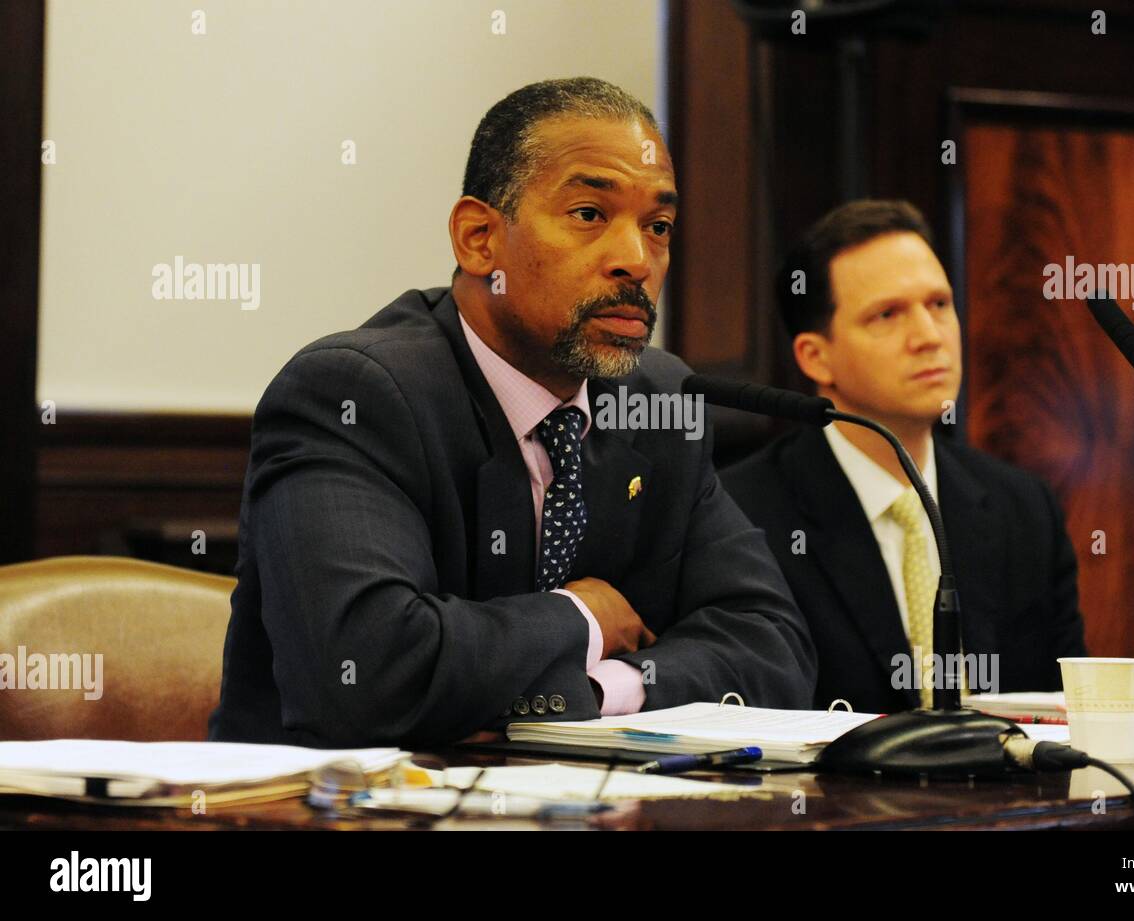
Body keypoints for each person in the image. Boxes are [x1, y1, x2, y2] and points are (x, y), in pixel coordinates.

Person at [209, 78, 815, 748]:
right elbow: (366, 675)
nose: (635, 261)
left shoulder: (659, 400)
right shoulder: (354, 395)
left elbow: (775, 644)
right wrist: (582, 616)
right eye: (589, 214)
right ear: (478, 238)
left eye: (659, 227)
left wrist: (596, 690)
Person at [722, 199, 1085, 714]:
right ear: (815, 357)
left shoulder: (1023, 509)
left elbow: (1064, 709)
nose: (929, 337)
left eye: (939, 305)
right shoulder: (742, 516)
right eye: (888, 315)